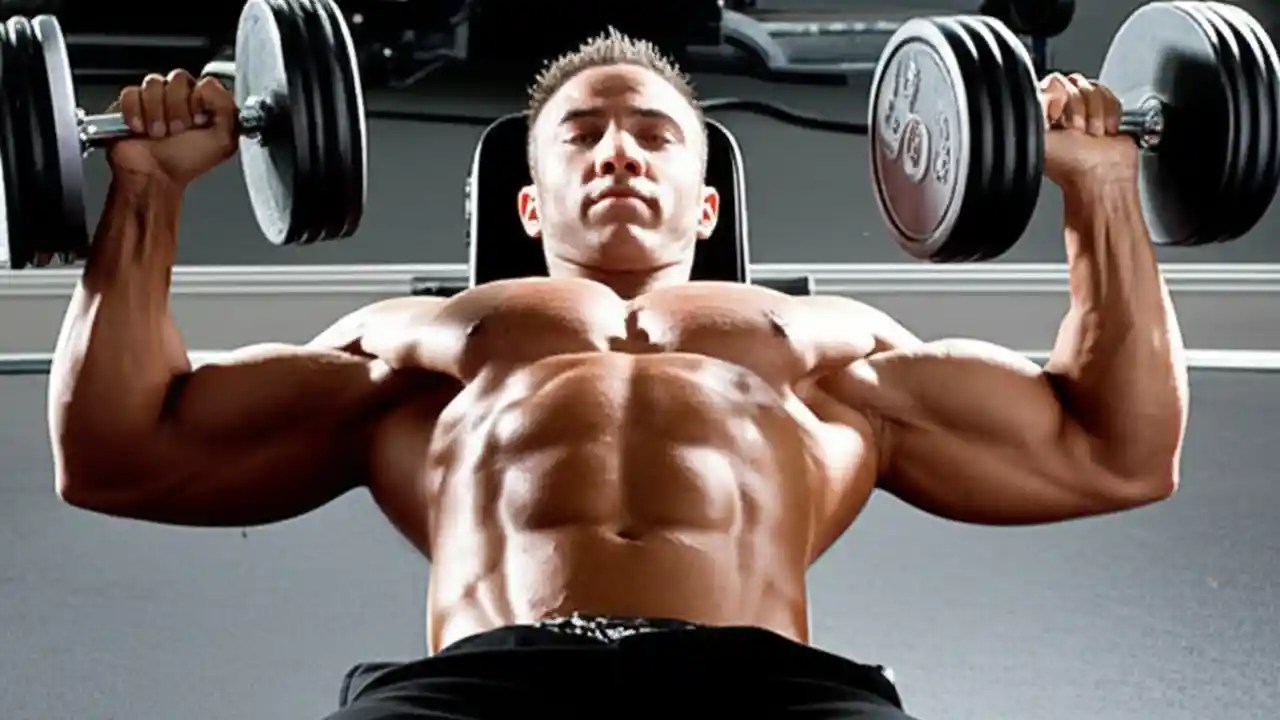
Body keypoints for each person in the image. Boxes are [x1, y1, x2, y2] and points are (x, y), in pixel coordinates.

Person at [48, 27, 1188, 719]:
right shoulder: (421, 339)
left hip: (762, 692)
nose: (616, 149)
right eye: (582, 133)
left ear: (706, 201)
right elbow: (116, 452)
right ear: (530, 202)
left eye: (650, 132)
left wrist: (1096, 189)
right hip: (483, 689)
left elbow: (1116, 451)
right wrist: (146, 188)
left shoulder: (827, 346)